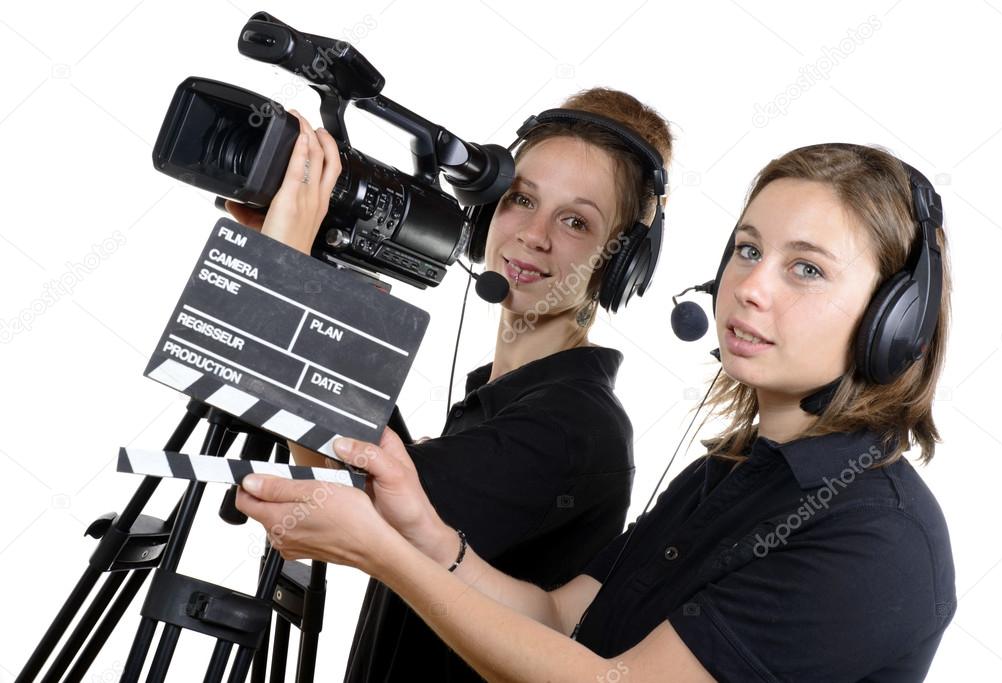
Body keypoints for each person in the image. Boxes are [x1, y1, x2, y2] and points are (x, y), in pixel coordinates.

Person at [237, 142, 957, 681]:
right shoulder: (722, 476)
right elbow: (560, 619)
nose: (748, 287)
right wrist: (422, 531)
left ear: (894, 321)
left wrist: (386, 553)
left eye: (805, 268)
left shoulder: (875, 535)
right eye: (745, 250)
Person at [226, 89, 675, 680]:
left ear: (619, 263)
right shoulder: (507, 397)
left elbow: (334, 498)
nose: (533, 236)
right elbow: (342, 461)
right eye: (521, 199)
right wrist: (308, 266)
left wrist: (283, 272)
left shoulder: (570, 426)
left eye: (575, 221)